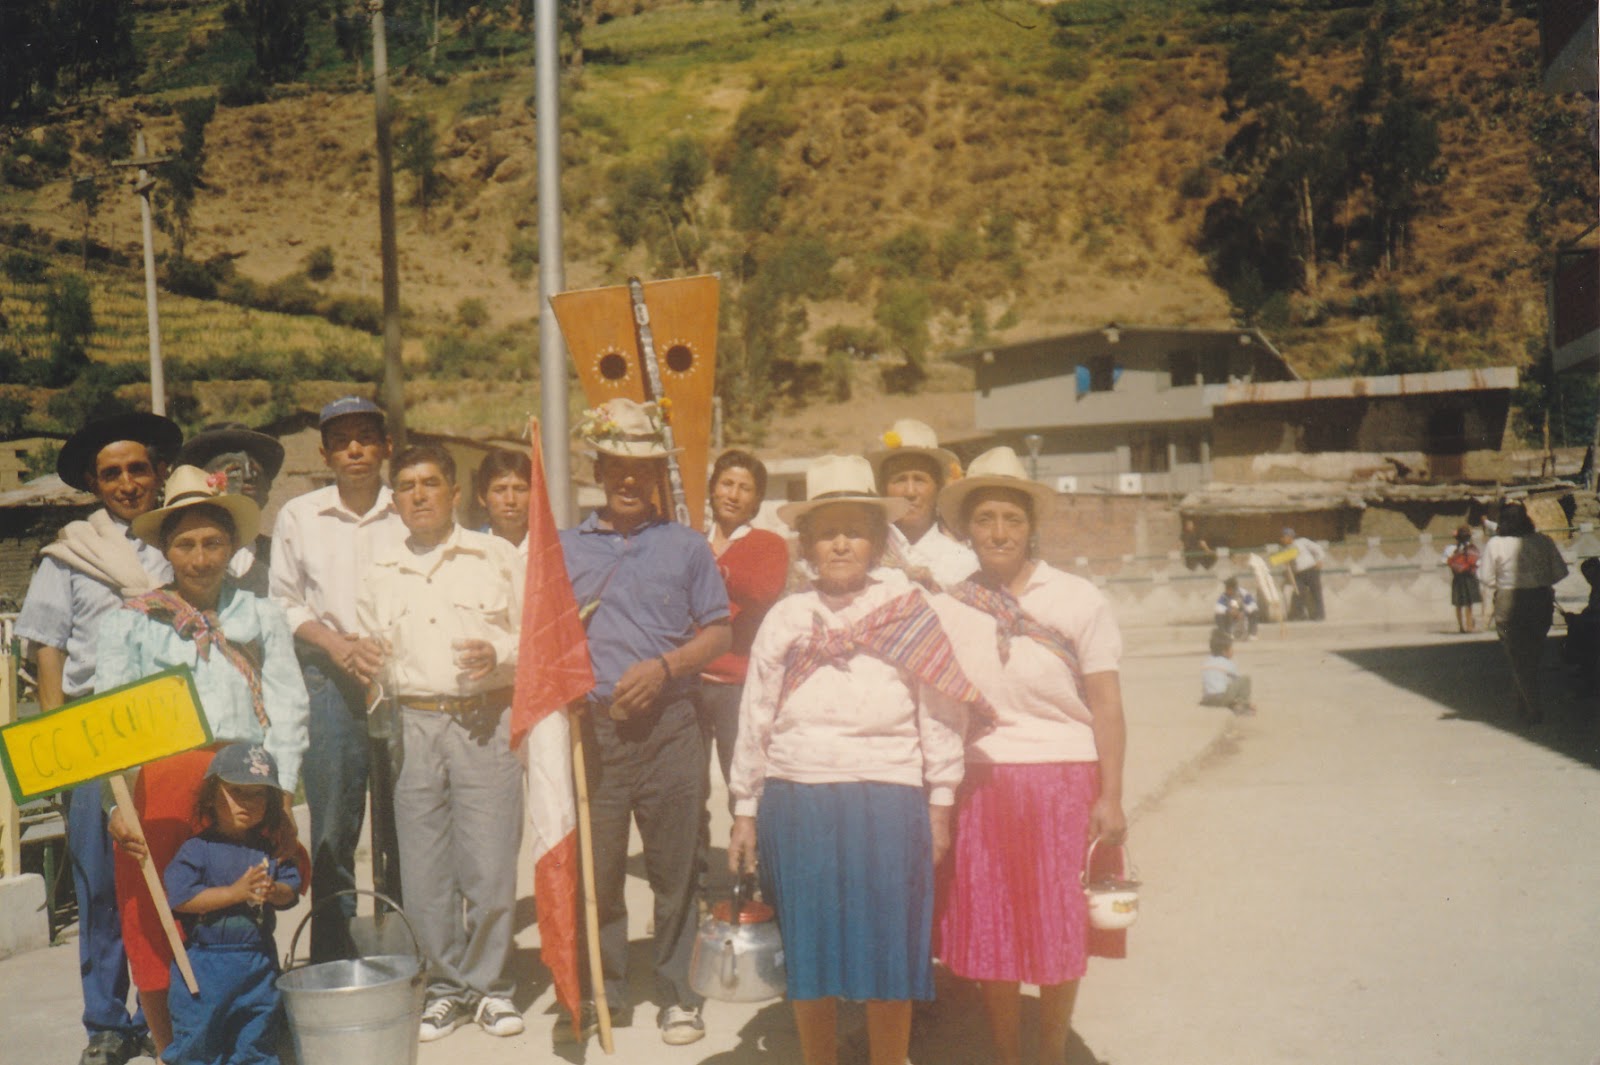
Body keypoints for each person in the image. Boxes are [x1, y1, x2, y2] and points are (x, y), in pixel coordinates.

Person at [728, 453, 978, 1065]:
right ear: (808, 545)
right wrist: (743, 809)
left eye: (855, 530)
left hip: (888, 796)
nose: (841, 544)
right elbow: (755, 714)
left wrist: (940, 802)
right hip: (798, 796)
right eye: (827, 532)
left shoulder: (909, 609)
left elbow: (940, 712)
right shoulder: (787, 617)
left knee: (888, 950)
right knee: (810, 952)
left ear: (876, 540)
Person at [97, 465, 310, 1059]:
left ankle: (248, 1034)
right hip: (157, 794)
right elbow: (108, 722)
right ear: (165, 549)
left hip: (242, 787)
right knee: (155, 918)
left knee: (241, 910)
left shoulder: (260, 618)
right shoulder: (133, 621)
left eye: (212, 542)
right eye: (184, 544)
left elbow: (289, 708)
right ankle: (174, 1048)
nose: (198, 557)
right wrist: (115, 806)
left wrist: (283, 795)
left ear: (233, 547)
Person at [926, 446, 1128, 1065]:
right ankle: (1007, 1055)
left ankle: (1052, 1053)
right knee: (992, 929)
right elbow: (938, 711)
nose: (999, 533)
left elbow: (1107, 704)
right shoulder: (951, 605)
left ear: (1030, 526)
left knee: (1058, 926)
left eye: (1012, 520)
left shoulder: (1077, 598)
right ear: (966, 530)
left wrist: (1111, 796)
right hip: (982, 783)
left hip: (1066, 781)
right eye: (985, 520)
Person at [560, 398, 732, 1046]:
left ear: (659, 474)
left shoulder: (687, 547)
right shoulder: (565, 547)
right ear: (598, 469)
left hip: (672, 724)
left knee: (674, 866)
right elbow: (546, 638)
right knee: (598, 870)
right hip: (595, 731)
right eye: (615, 466)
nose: (628, 479)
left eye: (642, 468)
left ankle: (678, 993)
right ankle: (607, 988)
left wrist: (664, 668)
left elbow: (719, 631)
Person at [13, 412, 181, 1065]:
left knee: (170, 867)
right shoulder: (70, 553)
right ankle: (109, 1021)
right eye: (112, 473)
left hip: (168, 721)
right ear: (93, 480)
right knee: (102, 879)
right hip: (95, 725)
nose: (127, 482)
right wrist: (60, 746)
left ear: (157, 471)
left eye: (138, 468)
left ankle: (166, 1006)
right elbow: (47, 650)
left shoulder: (174, 541)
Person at [355, 444, 527, 1042]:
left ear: (456, 492)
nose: (419, 494)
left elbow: (535, 641)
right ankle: (446, 988)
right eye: (406, 486)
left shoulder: (496, 555)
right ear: (394, 500)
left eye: (431, 483)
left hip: (484, 721)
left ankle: (489, 987)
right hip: (412, 726)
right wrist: (364, 663)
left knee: (489, 865)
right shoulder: (378, 570)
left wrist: (498, 655)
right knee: (424, 872)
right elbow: (368, 652)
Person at [269, 395, 405, 960]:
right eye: (342, 440)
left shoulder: (411, 506)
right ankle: (335, 952)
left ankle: (403, 947)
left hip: (401, 678)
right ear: (325, 453)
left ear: (386, 448)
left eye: (366, 438)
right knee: (331, 826)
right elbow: (284, 601)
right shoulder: (300, 515)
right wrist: (335, 644)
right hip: (329, 678)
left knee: (403, 821)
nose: (355, 449)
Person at [162, 743, 302, 1065]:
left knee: (255, 1038)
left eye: (258, 795)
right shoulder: (198, 848)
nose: (247, 803)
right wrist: (235, 893)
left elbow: (290, 891)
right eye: (236, 791)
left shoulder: (270, 849)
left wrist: (273, 890)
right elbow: (181, 897)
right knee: (198, 1041)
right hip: (206, 965)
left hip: (257, 963)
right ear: (212, 795)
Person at [698, 449, 789, 794]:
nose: (733, 495)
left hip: (738, 685)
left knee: (743, 782)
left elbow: (762, 591)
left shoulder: (768, 544)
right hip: (688, 682)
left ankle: (749, 849)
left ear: (757, 500)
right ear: (712, 489)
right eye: (726, 484)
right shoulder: (691, 541)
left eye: (745, 488)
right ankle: (695, 850)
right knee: (687, 787)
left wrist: (714, 567)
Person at [1481, 501, 1569, 725]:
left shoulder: (1495, 544)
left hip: (1509, 600)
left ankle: (1532, 707)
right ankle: (1523, 702)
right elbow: (1559, 572)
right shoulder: (1544, 541)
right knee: (1531, 655)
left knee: (1518, 657)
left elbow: (1486, 578)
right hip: (1540, 599)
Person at [176, 422, 286, 597]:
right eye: (234, 470)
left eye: (256, 471)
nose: (248, 476)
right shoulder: (178, 553)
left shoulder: (282, 555)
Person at [866, 418, 977, 591]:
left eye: (920, 480)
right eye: (900, 479)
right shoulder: (865, 553)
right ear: (883, 489)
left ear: (939, 489)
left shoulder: (963, 562)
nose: (910, 492)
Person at [474, 447, 532, 551]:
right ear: (482, 497)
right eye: (500, 490)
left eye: (520, 489)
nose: (511, 500)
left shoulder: (558, 547)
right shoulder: (468, 551)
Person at [1199, 629, 1255, 714]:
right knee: (1245, 680)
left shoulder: (1206, 663)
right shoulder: (1229, 664)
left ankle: (1235, 706)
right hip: (1221, 698)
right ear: (1224, 652)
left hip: (1207, 699)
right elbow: (1235, 682)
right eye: (1231, 648)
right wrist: (1247, 702)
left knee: (1223, 689)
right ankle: (1243, 705)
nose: (1233, 651)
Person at [1279, 527, 1327, 621]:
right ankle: (1298, 615)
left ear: (1290, 536)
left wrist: (1319, 560)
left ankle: (1320, 615)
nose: (1282, 539)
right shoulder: (1285, 550)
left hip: (1311, 570)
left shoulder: (1302, 542)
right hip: (1298, 574)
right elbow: (1281, 563)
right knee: (1298, 593)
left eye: (1284, 537)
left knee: (1316, 592)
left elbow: (1317, 548)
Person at [1442, 525, 1482, 634]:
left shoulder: (1451, 549)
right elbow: (1478, 562)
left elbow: (1445, 561)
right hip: (1469, 577)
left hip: (1457, 578)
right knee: (1469, 604)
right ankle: (1469, 626)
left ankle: (1461, 626)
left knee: (1458, 604)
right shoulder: (1472, 548)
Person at [1213, 576, 1259, 640]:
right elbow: (1217, 608)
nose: (1227, 590)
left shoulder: (1243, 593)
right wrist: (1229, 611)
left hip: (1242, 615)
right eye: (1226, 588)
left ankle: (1252, 634)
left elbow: (1253, 605)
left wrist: (1244, 612)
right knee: (1218, 615)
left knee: (1254, 611)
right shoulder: (1224, 596)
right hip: (1230, 617)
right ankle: (1225, 634)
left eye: (1229, 588)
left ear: (1234, 588)